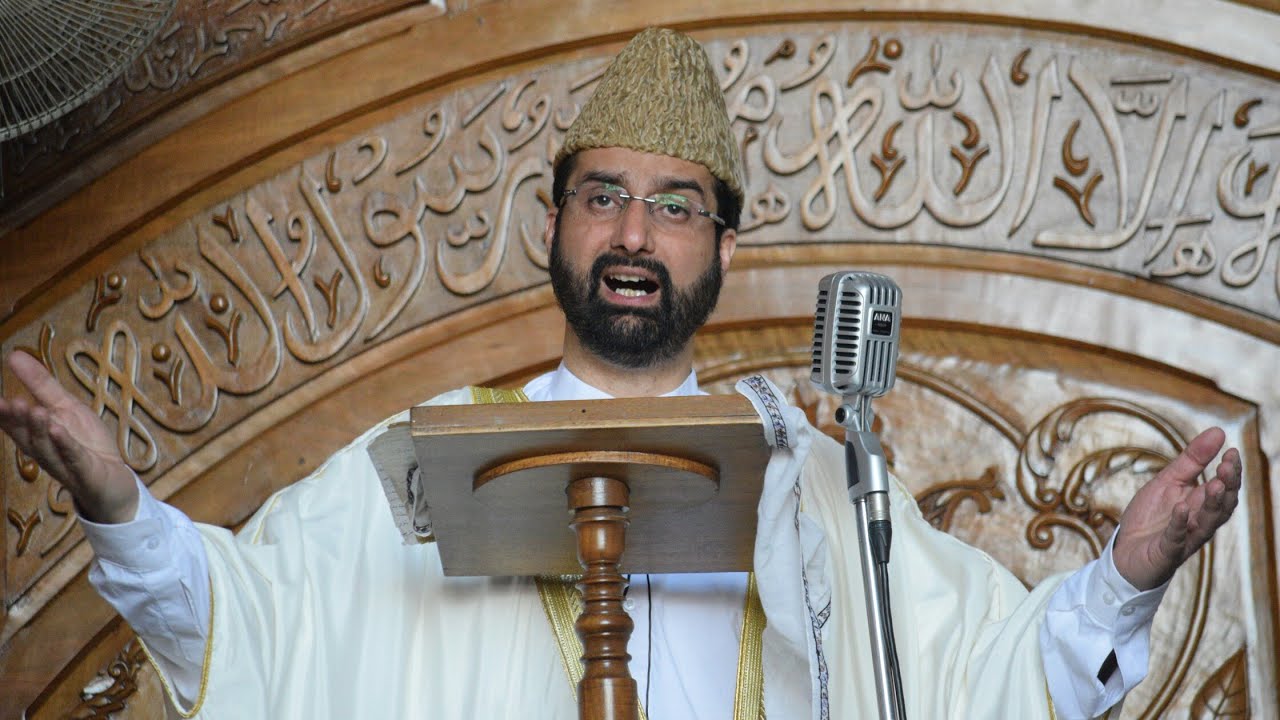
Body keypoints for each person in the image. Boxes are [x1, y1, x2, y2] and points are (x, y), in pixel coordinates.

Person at [0, 28, 1241, 720]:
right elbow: (252, 626)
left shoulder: (813, 489)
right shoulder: (420, 464)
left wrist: (1129, 570)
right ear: (553, 225)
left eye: (673, 207)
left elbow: (987, 679)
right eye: (603, 197)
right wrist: (120, 505)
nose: (634, 236)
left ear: (724, 247)